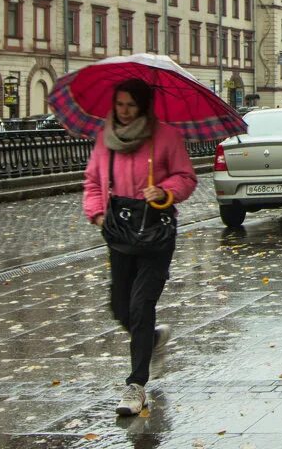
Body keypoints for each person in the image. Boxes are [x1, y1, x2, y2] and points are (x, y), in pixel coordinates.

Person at [82, 79, 198, 417]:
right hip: (118, 229)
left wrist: (164, 191)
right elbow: (92, 180)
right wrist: (98, 213)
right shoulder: (106, 140)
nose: (124, 111)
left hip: (155, 231)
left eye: (131, 105)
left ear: (144, 106)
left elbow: (187, 177)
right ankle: (152, 339)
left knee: (140, 303)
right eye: (120, 105)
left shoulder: (165, 136)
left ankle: (136, 385)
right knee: (119, 306)